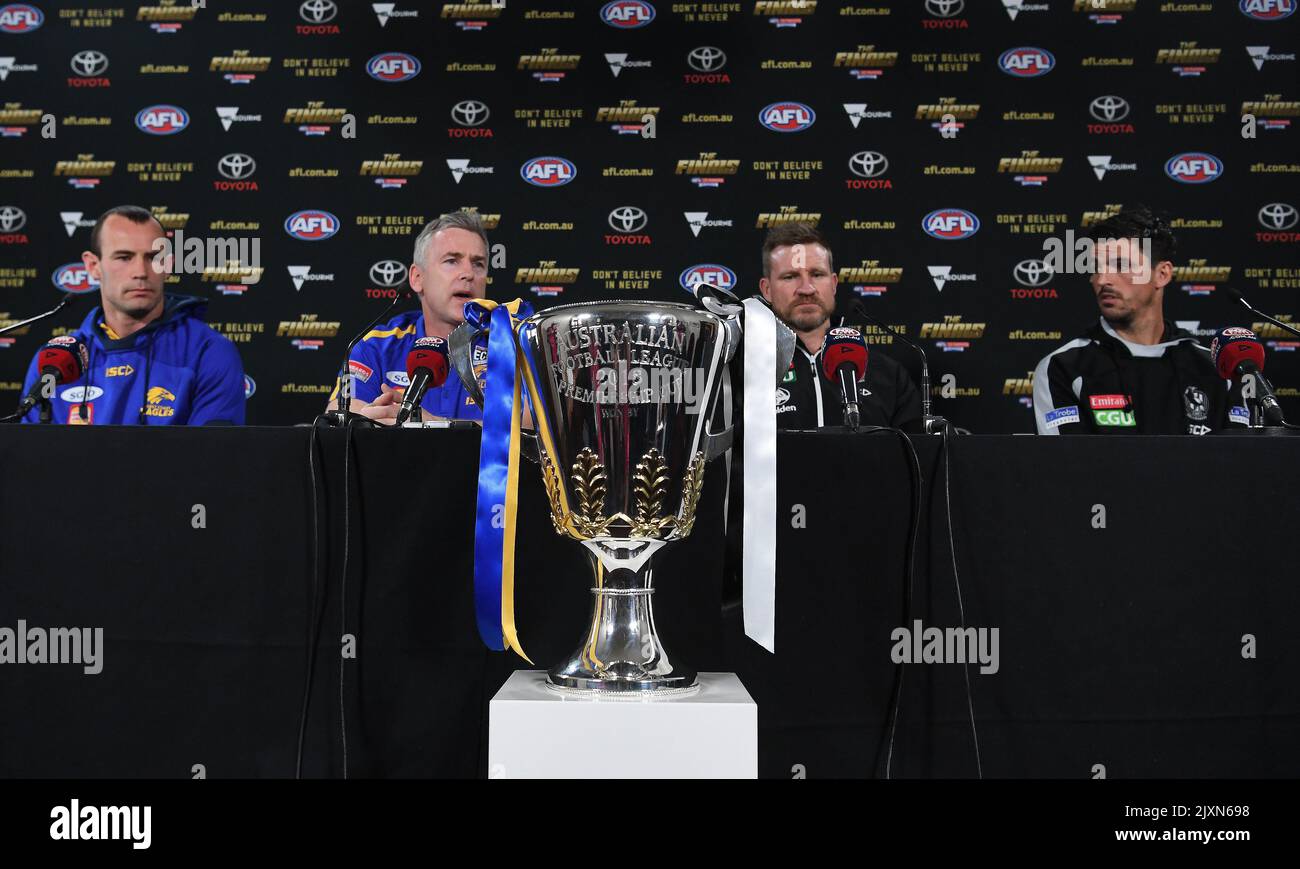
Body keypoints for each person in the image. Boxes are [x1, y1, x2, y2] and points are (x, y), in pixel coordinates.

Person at [19, 205, 245, 425]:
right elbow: (35, 456)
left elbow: (213, 457)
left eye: (153, 257)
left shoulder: (208, 352)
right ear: (93, 265)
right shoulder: (54, 359)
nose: (141, 272)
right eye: (124, 257)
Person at [1033, 205, 1246, 435]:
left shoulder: (1218, 370)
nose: (1103, 279)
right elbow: (1066, 467)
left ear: (1162, 274)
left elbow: (1235, 465)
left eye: (1120, 265)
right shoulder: (1062, 367)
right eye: (1096, 267)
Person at [327, 211, 489, 424]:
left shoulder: (510, 346)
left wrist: (429, 425)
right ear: (417, 278)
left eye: (478, 264)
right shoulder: (376, 346)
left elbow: (531, 432)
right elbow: (338, 416)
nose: (469, 273)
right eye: (452, 261)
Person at [757, 222, 922, 431]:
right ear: (767, 289)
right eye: (790, 276)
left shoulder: (889, 375)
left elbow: (916, 458)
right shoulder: (747, 370)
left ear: (834, 283)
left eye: (817, 274)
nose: (806, 289)